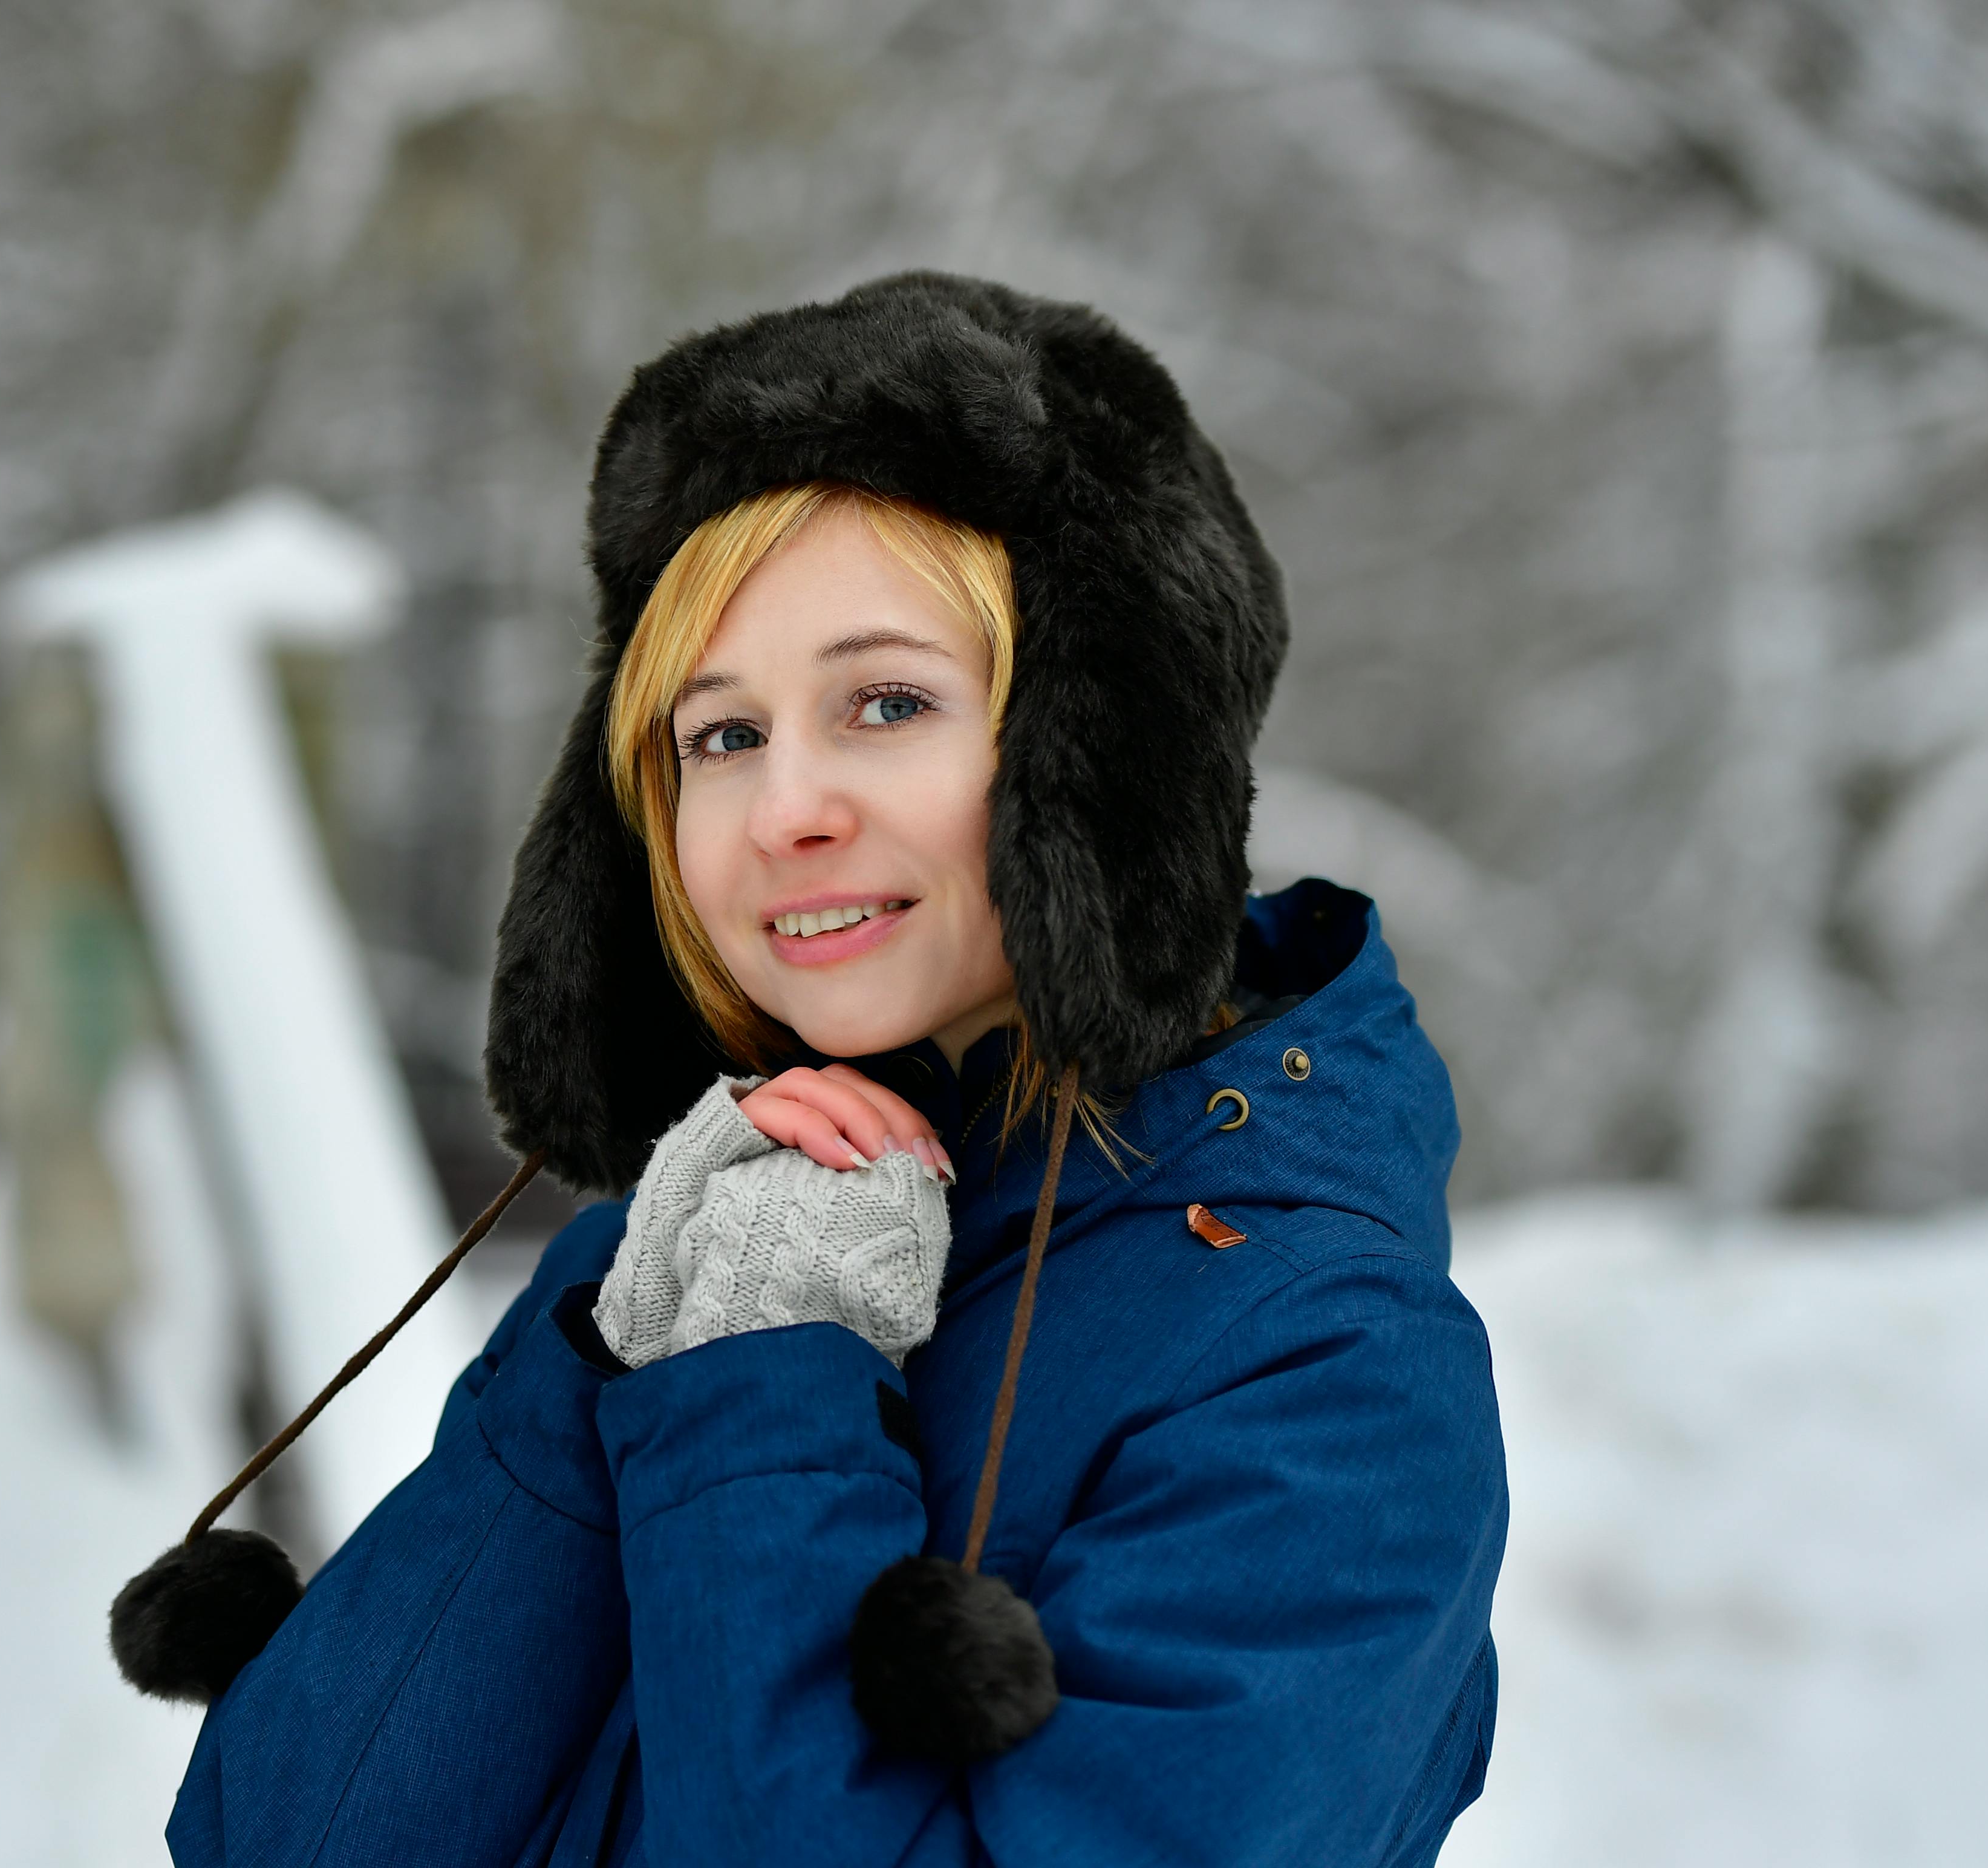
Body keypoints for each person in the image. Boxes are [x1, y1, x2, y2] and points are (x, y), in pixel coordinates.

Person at [143, 272, 1507, 1866]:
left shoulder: (1320, 1372)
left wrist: (767, 1391)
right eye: (719, 734)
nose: (785, 806)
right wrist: (639, 1349)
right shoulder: (703, 1235)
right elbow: (287, 1841)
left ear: (1093, 762)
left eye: (884, 703)